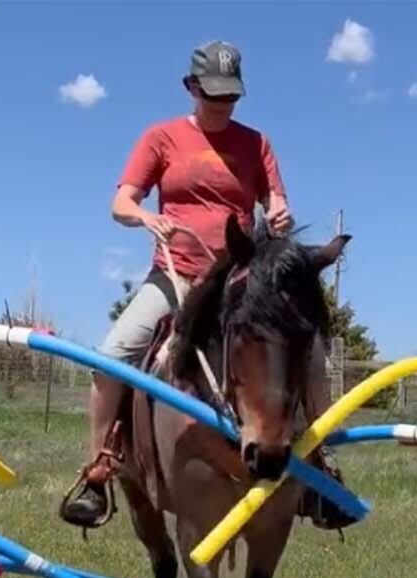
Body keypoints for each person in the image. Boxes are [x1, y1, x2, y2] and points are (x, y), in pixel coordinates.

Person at [59, 39, 355, 531]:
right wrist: (144, 217)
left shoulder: (256, 143)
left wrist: (279, 211)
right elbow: (121, 202)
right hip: (175, 275)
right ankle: (99, 469)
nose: (221, 104)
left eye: (230, 96)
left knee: (311, 356)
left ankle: (319, 470)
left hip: (239, 283)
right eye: (212, 94)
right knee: (113, 356)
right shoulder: (161, 137)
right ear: (191, 87)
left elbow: (277, 200)